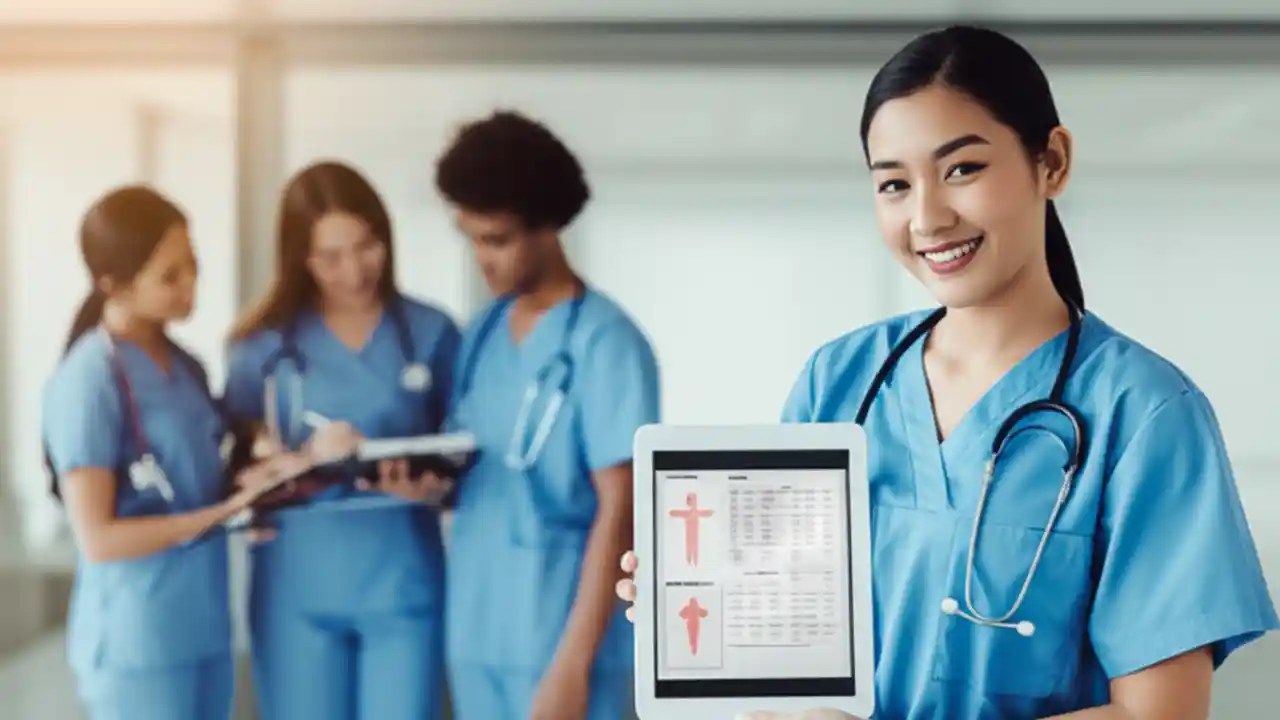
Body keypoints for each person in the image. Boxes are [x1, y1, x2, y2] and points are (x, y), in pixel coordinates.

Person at [617, 25, 1278, 720]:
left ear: (1051, 161)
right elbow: (787, 665)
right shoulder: (839, 380)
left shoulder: (1142, 412)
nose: (927, 216)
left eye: (962, 169)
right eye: (894, 184)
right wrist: (700, 602)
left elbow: (1161, 714)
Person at [42, 186, 302, 720]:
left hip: (201, 627)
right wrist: (222, 517)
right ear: (112, 284)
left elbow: (200, 481)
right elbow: (99, 539)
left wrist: (261, 478)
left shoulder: (185, 367)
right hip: (137, 640)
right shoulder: (89, 380)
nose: (191, 286)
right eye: (170, 275)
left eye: (193, 266)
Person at [433, 110, 660, 719]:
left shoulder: (606, 342)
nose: (482, 259)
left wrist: (572, 667)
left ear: (547, 228)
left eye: (497, 240)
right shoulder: (481, 333)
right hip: (479, 633)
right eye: (471, 237)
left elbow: (623, 507)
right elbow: (481, 473)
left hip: (561, 641)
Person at [222, 161, 460, 720]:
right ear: (298, 258)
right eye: (330, 256)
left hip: (402, 581)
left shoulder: (431, 334)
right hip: (296, 590)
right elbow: (230, 468)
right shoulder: (261, 348)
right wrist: (294, 460)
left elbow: (465, 458)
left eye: (367, 246)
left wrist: (432, 485)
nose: (354, 270)